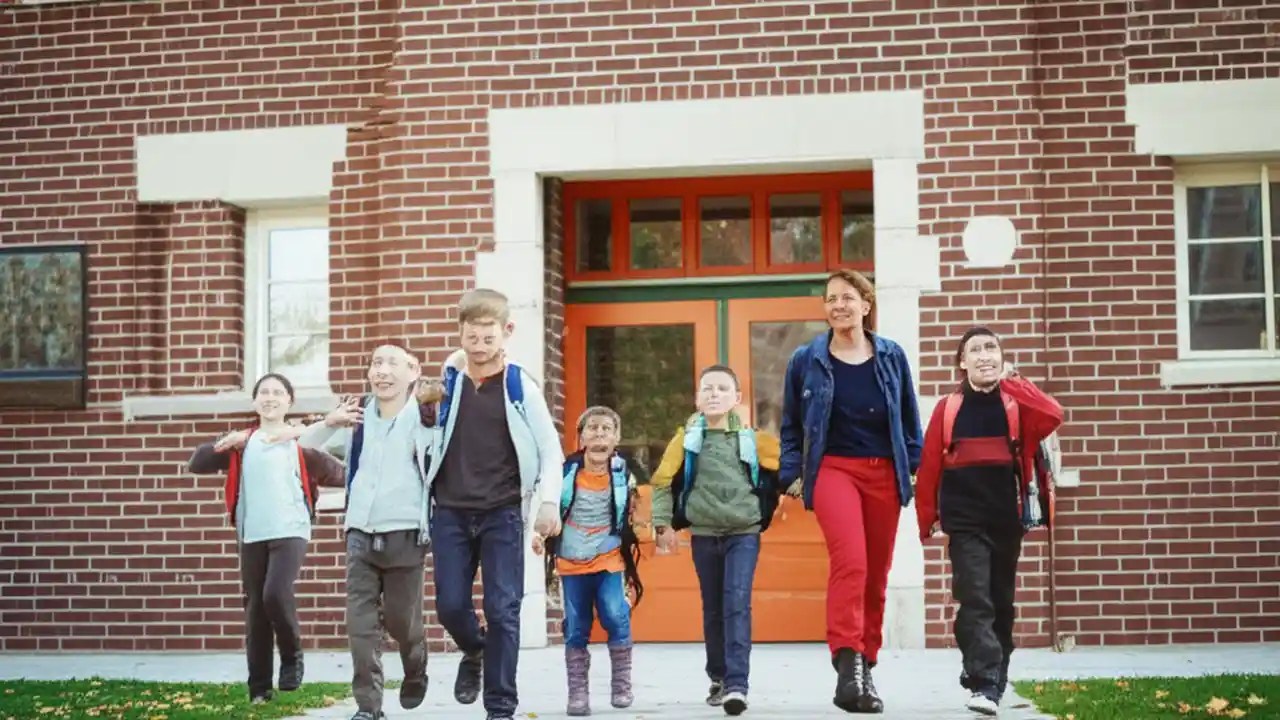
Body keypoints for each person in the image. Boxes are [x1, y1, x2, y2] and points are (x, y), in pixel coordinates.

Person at [779, 269, 924, 714]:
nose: (837, 305)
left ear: (866, 304)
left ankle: (865, 667)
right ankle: (846, 664)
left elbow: (908, 420)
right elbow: (791, 425)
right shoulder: (807, 359)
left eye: (847, 297)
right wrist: (791, 472)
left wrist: (914, 468)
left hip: (883, 472)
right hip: (833, 469)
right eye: (830, 299)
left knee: (876, 574)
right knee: (852, 562)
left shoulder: (891, 356)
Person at [425, 288, 565, 720]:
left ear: (506, 333)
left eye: (488, 338)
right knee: (450, 604)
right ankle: (474, 649)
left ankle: (500, 706)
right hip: (449, 510)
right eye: (472, 337)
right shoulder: (444, 384)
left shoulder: (520, 384)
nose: (480, 346)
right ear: (460, 333)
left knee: (503, 609)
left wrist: (548, 503)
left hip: (503, 512)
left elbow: (550, 450)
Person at [915, 327, 1063, 716]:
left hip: (1005, 518)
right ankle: (983, 681)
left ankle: (994, 679)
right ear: (962, 363)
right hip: (964, 520)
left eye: (991, 349)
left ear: (1001, 357)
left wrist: (1015, 380)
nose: (984, 356)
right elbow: (930, 465)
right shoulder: (948, 408)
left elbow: (1053, 414)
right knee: (974, 598)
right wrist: (926, 518)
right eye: (975, 350)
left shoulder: (1016, 405)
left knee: (1001, 601)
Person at [298, 342, 440, 720]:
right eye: (376, 363)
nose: (382, 370)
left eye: (393, 363)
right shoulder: (355, 418)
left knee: (400, 621)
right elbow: (300, 447)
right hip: (360, 534)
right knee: (360, 629)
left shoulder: (427, 417)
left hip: (406, 534)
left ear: (413, 372)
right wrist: (330, 422)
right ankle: (368, 707)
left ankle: (416, 666)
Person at [187, 372, 345, 704]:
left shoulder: (299, 441)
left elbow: (339, 471)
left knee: (275, 593)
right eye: (264, 393)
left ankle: (292, 656)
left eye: (278, 393)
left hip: (291, 530)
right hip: (252, 534)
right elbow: (197, 463)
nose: (270, 398)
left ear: (289, 401)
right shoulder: (244, 443)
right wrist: (229, 439)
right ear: (255, 401)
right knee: (256, 609)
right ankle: (259, 688)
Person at [651, 364, 782, 718]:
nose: (713, 394)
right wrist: (662, 525)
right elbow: (663, 481)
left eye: (723, 389)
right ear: (697, 398)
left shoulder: (754, 440)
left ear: (737, 399)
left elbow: (786, 469)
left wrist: (807, 490)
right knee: (713, 609)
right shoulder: (686, 440)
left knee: (737, 602)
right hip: (704, 534)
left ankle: (737, 685)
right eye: (707, 388)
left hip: (744, 532)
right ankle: (719, 677)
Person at [535, 405, 644, 717]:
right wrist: (539, 535)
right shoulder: (566, 472)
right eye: (592, 429)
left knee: (614, 614)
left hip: (609, 558)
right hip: (571, 560)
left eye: (606, 429)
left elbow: (630, 514)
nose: (599, 434)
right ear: (580, 437)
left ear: (616, 438)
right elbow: (547, 506)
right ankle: (578, 693)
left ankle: (621, 684)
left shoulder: (624, 474)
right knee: (576, 626)